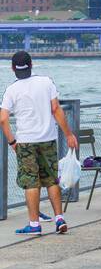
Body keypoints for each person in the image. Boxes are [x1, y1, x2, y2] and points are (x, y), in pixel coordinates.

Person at [0, 50, 78, 237]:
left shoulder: (12, 90)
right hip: (48, 139)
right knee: (51, 179)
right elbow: (56, 109)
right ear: (32, 64)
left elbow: (3, 119)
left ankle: (34, 224)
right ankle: (59, 218)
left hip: (26, 142)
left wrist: (12, 141)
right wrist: (68, 134)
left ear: (12, 68)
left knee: (31, 183)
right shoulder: (46, 82)